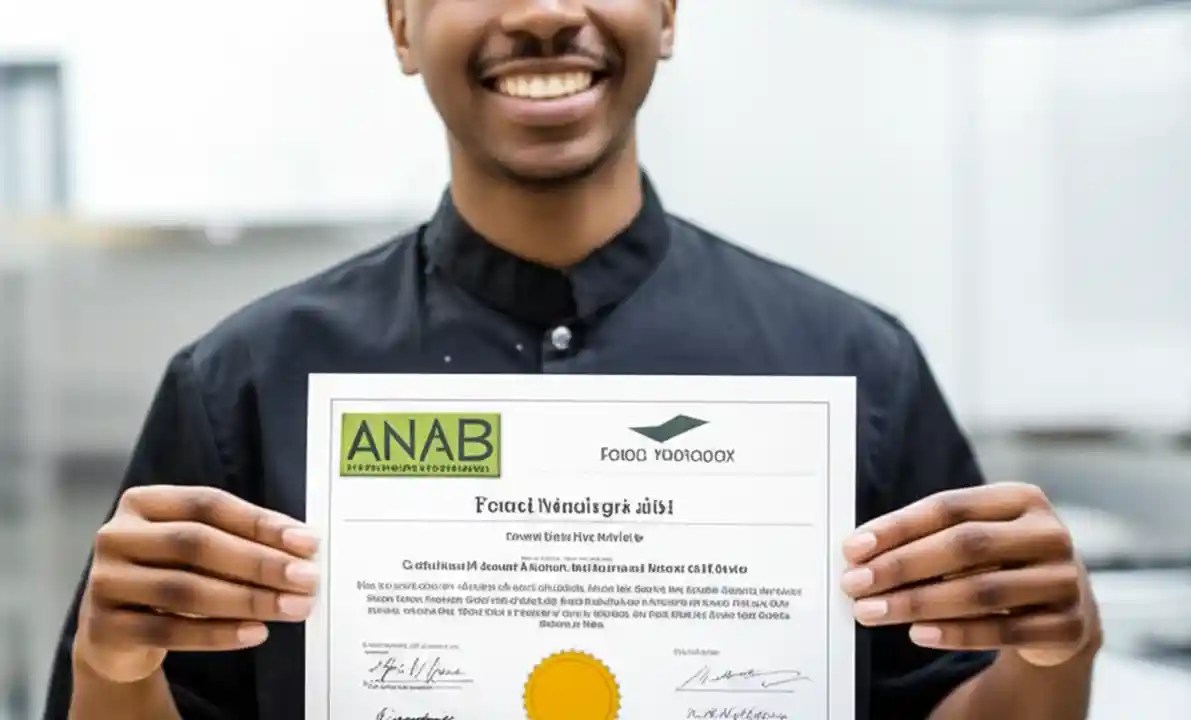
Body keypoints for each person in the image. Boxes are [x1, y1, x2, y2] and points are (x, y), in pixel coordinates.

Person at [42, 1, 1102, 718]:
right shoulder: (243, 383)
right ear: (401, 23)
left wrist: (1050, 658)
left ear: (671, 12)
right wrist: (108, 664)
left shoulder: (855, 366)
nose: (545, 10)